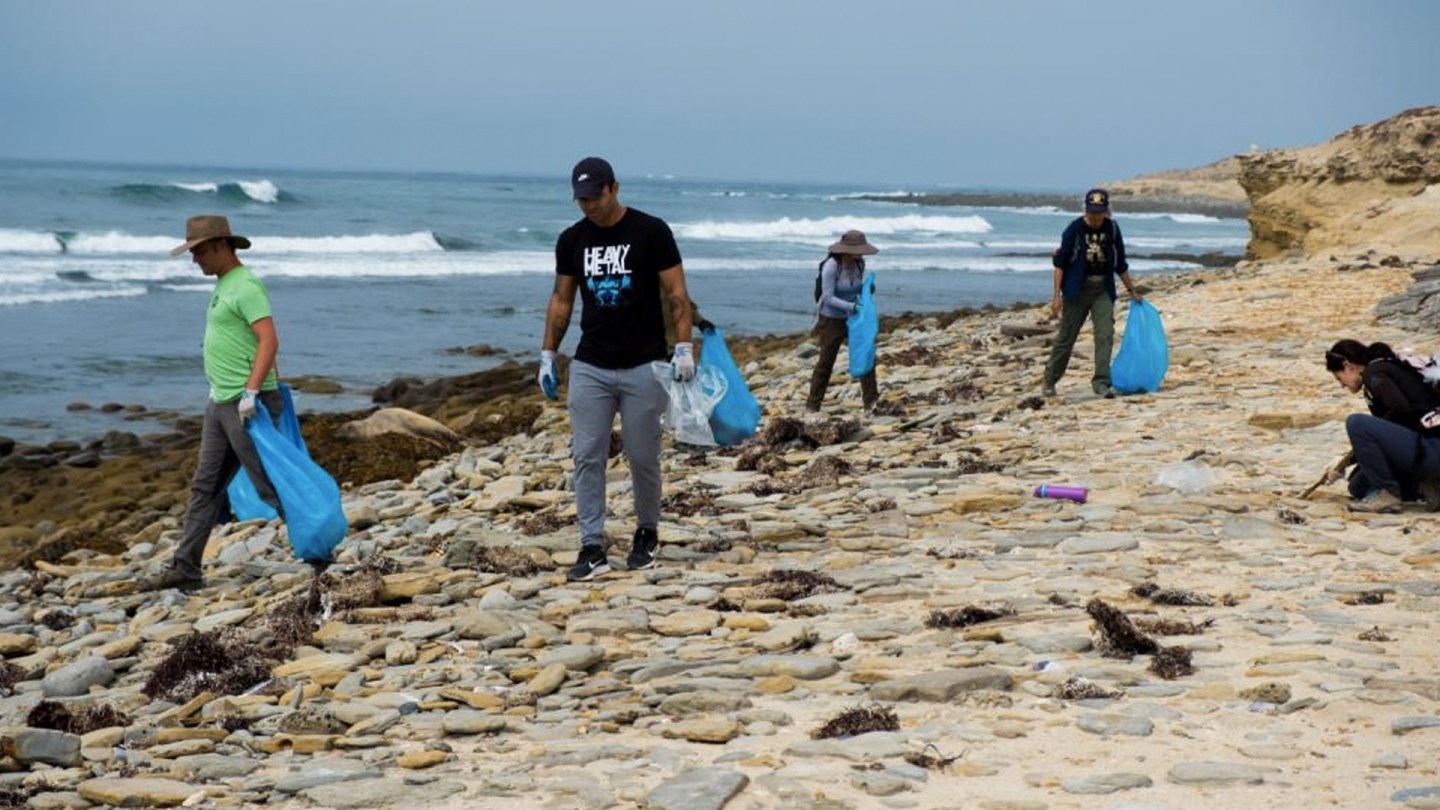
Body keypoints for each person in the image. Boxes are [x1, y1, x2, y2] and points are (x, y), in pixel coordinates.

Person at [540, 157, 695, 582]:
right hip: (591, 363)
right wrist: (548, 354)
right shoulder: (571, 240)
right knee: (587, 455)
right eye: (581, 198)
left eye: (593, 196)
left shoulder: (651, 231)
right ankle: (592, 544)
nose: (587, 205)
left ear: (614, 189)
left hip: (645, 363)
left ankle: (647, 532)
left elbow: (677, 291)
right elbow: (561, 300)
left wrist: (683, 347)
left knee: (643, 455)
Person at [141, 216, 284, 591]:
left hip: (245, 404)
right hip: (222, 402)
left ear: (221, 245)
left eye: (199, 251)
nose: (195, 259)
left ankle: (320, 548)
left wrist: (255, 392)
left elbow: (269, 340)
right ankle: (185, 567)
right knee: (205, 487)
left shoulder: (247, 285)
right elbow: (242, 343)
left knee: (272, 484)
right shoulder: (225, 284)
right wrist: (221, 387)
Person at [1042, 188, 1144, 398]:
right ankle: (1050, 380)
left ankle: (1101, 383)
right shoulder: (1074, 229)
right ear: (1085, 210)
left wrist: (1132, 291)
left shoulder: (1112, 229)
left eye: (1100, 212)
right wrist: (1056, 298)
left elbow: (1120, 264)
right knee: (1066, 337)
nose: (1096, 217)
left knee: (1105, 335)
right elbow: (1059, 265)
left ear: (1107, 211)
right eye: (1092, 212)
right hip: (1076, 291)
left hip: (1102, 290)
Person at [1323, 339, 1440, 513]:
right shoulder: (1387, 369)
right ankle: (1426, 489)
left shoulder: (1374, 373)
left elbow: (1401, 409)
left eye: (1339, 377)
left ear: (1348, 365)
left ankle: (1389, 496)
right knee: (1358, 486)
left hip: (1431, 447)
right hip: (1423, 447)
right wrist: (1348, 460)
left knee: (1357, 423)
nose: (1341, 385)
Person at [807, 230, 879, 412]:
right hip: (831, 319)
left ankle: (871, 403)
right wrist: (851, 307)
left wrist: (867, 289)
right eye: (859, 250)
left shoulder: (859, 263)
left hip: (854, 317)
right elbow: (828, 297)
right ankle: (812, 405)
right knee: (826, 361)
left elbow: (855, 289)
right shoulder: (831, 266)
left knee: (866, 354)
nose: (862, 254)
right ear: (847, 250)